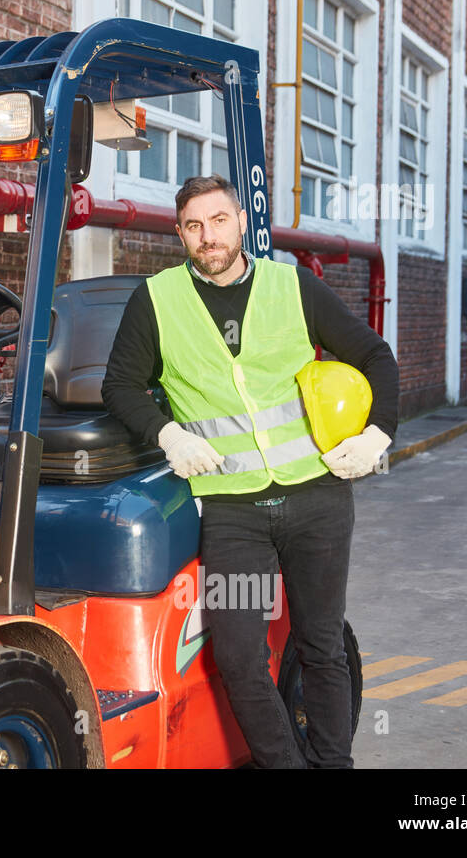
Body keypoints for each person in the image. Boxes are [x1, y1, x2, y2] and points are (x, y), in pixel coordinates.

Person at [101, 174, 399, 768]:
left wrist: (378, 435)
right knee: (238, 657)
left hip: (317, 498)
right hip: (233, 510)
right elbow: (120, 387)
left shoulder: (294, 286)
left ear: (241, 223)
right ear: (180, 235)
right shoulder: (157, 301)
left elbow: (374, 355)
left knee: (321, 645)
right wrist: (166, 434)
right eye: (193, 226)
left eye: (218, 221)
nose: (208, 236)